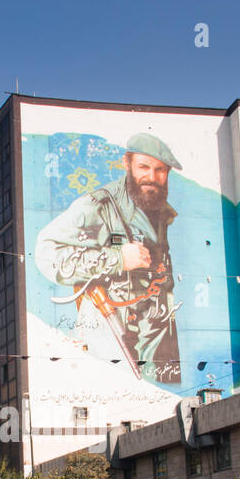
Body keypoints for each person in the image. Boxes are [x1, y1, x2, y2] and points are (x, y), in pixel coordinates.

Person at [33, 133, 185, 385]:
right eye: (144, 167)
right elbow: (47, 252)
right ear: (127, 164)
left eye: (160, 170)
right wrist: (117, 259)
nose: (152, 177)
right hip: (111, 339)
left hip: (156, 344)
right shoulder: (99, 205)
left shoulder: (160, 210)